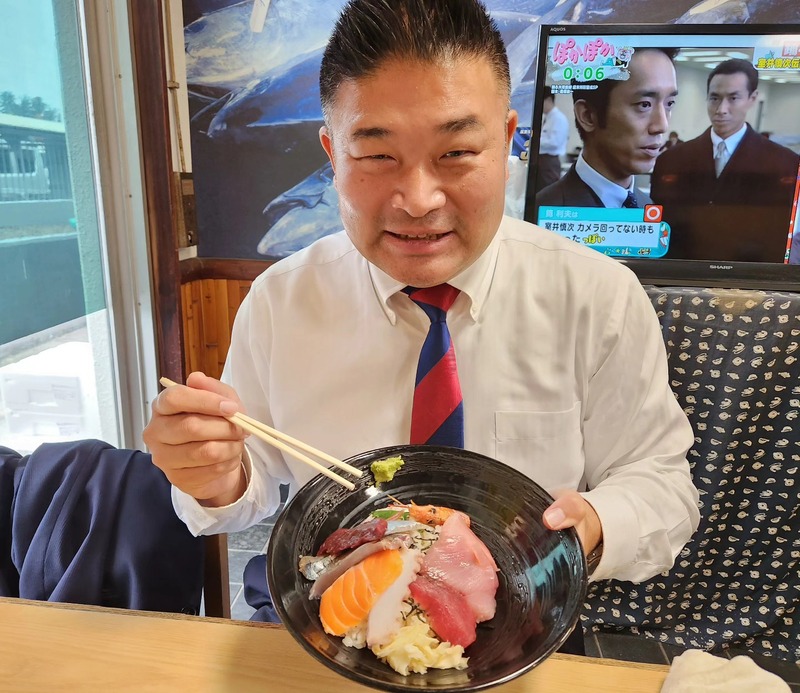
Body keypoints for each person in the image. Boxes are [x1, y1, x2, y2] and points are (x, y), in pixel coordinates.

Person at [144, 0, 698, 615]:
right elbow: (246, 482)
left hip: (527, 623)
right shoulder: (282, 300)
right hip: (340, 621)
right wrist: (214, 474)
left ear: (507, 141)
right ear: (332, 154)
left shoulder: (597, 295)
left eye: (456, 153)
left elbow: (663, 485)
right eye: (377, 156)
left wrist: (595, 521)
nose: (418, 199)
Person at [651, 58, 800, 262]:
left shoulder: (785, 164)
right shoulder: (671, 161)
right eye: (715, 98)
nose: (721, 109)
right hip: (683, 271)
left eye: (733, 98)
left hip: (753, 273)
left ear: (752, 98)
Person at [536, 47, 678, 210]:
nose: (662, 126)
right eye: (644, 104)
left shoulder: (648, 206)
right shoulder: (544, 211)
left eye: (669, 103)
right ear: (588, 116)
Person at [534, 85, 569, 192]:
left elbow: (555, 142)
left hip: (549, 162)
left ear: (549, 100)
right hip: (542, 161)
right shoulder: (548, 118)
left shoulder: (558, 118)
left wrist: (535, 141)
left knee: (547, 192)